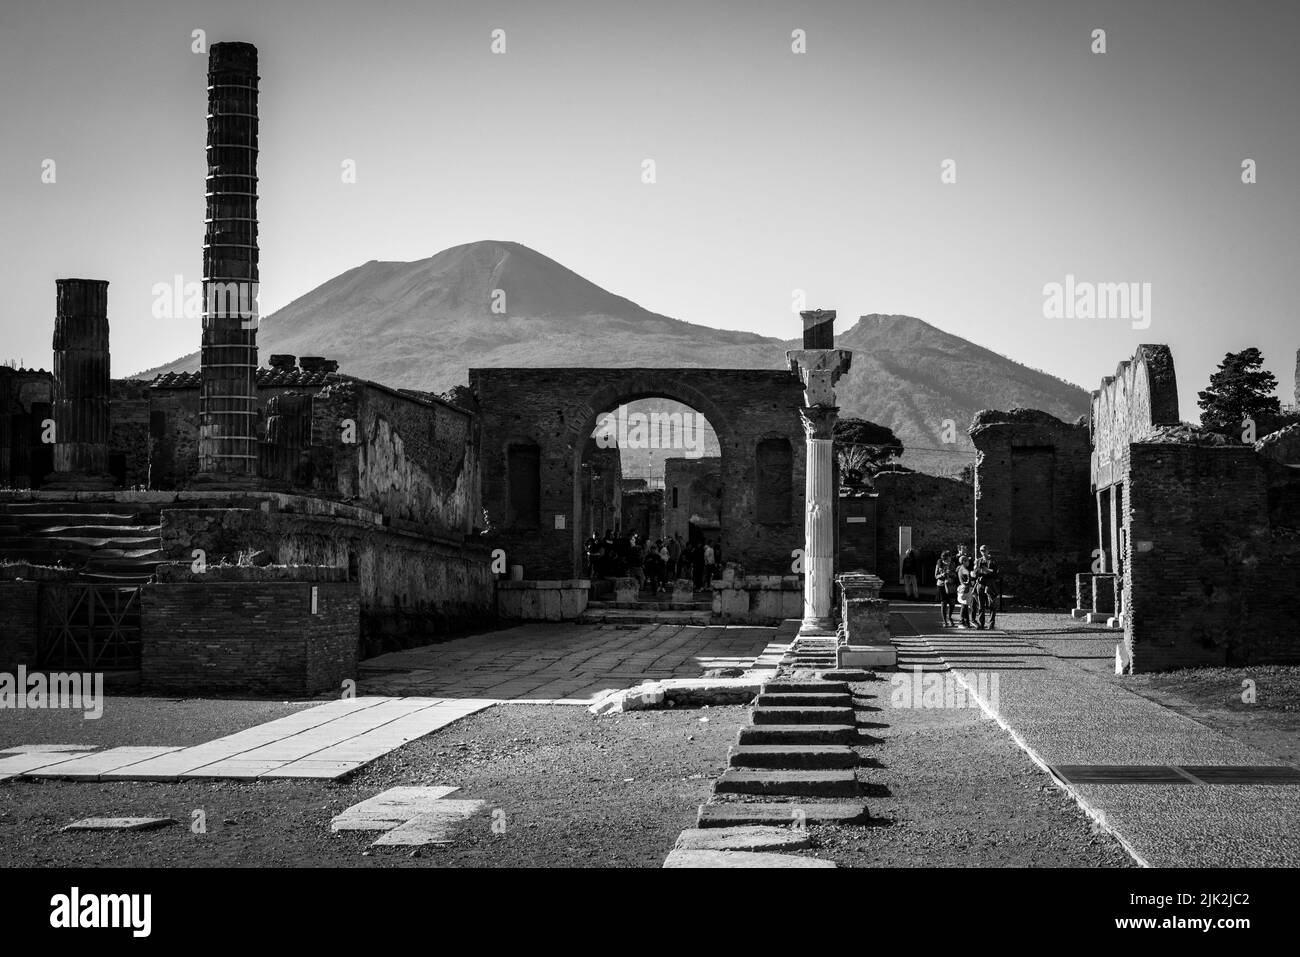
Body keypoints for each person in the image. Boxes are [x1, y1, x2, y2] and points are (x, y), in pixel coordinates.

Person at [976, 547, 1000, 629]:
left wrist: (987, 570)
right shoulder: (978, 561)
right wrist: (976, 572)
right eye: (981, 551)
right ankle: (981, 624)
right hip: (981, 584)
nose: (983, 552)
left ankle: (991, 624)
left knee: (992, 604)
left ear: (988, 551)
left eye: (984, 550)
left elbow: (996, 572)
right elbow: (975, 573)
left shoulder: (993, 560)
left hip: (990, 584)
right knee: (980, 605)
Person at [934, 550, 957, 627]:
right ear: (944, 558)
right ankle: (945, 621)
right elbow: (936, 576)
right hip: (941, 585)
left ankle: (950, 617)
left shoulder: (953, 564)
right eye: (947, 558)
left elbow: (956, 574)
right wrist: (942, 575)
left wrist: (951, 574)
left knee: (952, 603)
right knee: (944, 603)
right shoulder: (939, 564)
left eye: (949, 557)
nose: (949, 559)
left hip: (951, 585)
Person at [956, 556, 975, 628]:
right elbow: (968, 573)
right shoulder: (963, 569)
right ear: (964, 561)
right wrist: (972, 573)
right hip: (965, 589)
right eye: (967, 561)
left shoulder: (961, 568)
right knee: (964, 605)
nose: (968, 562)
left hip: (964, 589)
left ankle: (966, 622)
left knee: (965, 605)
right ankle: (961, 622)